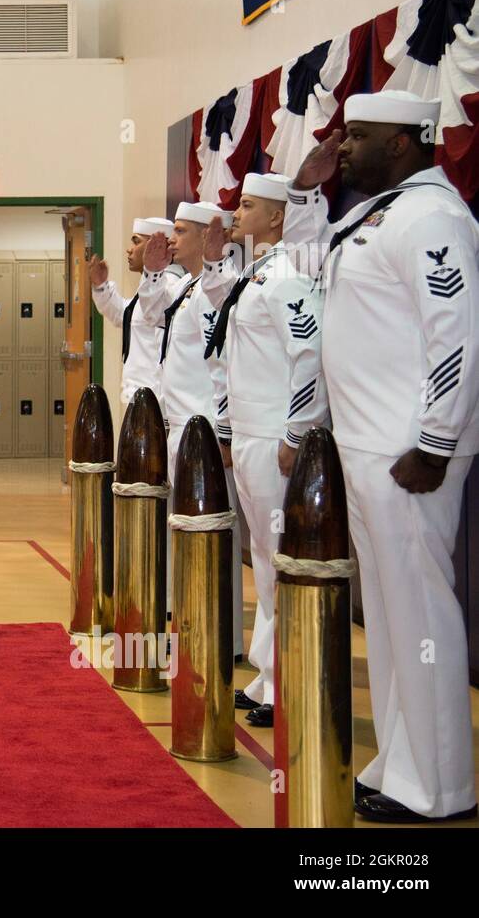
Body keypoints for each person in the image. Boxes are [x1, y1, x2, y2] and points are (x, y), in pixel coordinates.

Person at [285, 90, 479, 823]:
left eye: (359, 136)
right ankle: (401, 765)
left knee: (422, 617)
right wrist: (307, 185)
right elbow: (307, 262)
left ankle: (440, 786)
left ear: (403, 142)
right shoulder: (378, 214)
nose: (345, 147)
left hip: (407, 456)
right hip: (367, 450)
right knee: (394, 623)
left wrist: (434, 444)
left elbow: (457, 330)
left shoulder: (432, 217)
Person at [198, 172, 327, 728]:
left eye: (247, 205)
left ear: (277, 217)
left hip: (276, 436)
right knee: (264, 562)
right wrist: (229, 428)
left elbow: (310, 350)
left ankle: (290, 681)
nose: (237, 213)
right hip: (250, 434)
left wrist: (296, 433)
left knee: (281, 560)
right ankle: (269, 671)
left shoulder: (285, 278)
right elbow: (228, 358)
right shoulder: (253, 275)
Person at [139, 201, 244, 656]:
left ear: (208, 236)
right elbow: (146, 315)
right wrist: (154, 272)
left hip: (203, 431)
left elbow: (222, 364)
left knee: (213, 535)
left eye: (181, 231)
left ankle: (221, 639)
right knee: (187, 532)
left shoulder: (217, 290)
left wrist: (223, 431)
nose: (172, 238)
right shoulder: (191, 287)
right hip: (180, 426)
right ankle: (192, 625)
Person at [87, 218, 179, 405]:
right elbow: (124, 315)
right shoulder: (148, 289)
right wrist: (101, 287)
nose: (129, 249)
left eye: (136, 241)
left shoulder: (169, 286)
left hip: (155, 400)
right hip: (140, 397)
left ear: (157, 247)